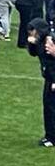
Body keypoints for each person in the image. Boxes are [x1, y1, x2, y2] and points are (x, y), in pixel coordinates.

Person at [26, 18, 55, 147]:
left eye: (33, 31)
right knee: (48, 109)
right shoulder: (41, 41)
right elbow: (34, 53)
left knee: (52, 109)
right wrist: (31, 44)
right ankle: (50, 136)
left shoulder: (50, 41)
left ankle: (52, 138)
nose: (32, 34)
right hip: (49, 79)